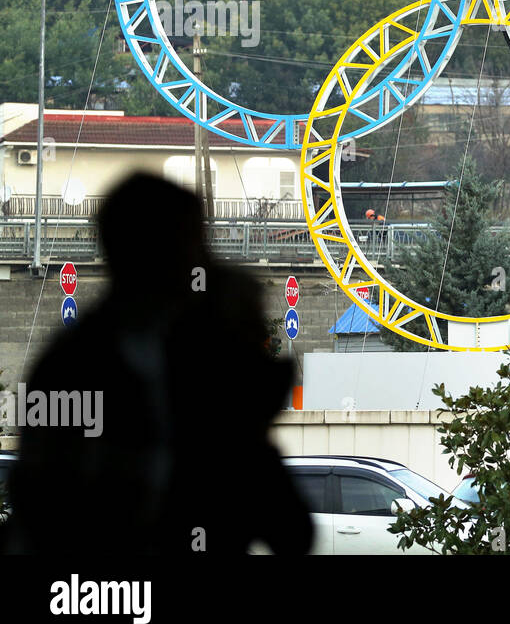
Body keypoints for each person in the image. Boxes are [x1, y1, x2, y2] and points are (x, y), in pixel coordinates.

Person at [3, 173, 312, 555]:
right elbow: (288, 526)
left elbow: (40, 502)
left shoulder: (69, 361)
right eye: (191, 244)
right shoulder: (204, 357)